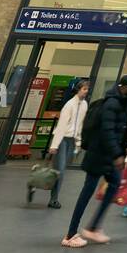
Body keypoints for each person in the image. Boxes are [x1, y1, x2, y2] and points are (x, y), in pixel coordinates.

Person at [61, 74, 127, 248]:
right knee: (87, 191)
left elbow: (120, 130)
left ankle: (93, 227)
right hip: (99, 155)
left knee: (113, 184)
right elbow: (107, 131)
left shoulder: (123, 102)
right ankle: (71, 234)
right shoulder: (112, 103)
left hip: (107, 156)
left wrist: (124, 147)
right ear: (123, 86)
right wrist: (117, 154)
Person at [44, 79, 88, 209]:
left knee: (60, 170)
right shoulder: (69, 105)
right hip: (62, 139)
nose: (86, 92)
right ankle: (53, 199)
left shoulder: (84, 105)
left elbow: (80, 125)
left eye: (87, 89)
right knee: (60, 170)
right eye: (84, 89)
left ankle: (52, 194)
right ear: (78, 90)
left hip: (72, 140)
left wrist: (78, 142)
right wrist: (54, 145)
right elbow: (62, 125)